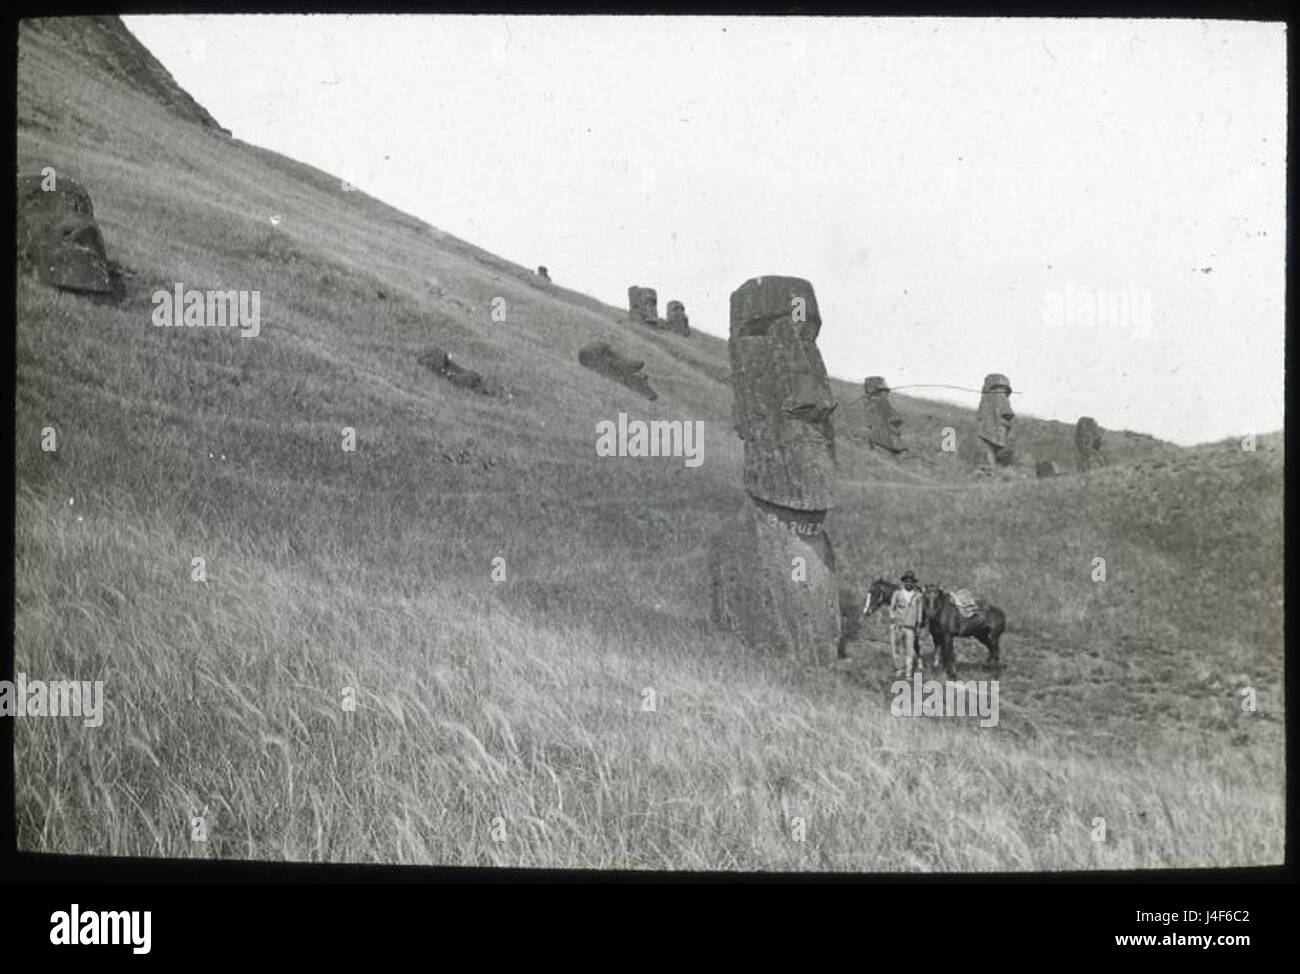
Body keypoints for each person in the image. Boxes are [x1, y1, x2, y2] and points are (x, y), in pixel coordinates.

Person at [889, 571, 925, 678]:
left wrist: (919, 623)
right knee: (898, 648)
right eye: (906, 581)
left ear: (914, 583)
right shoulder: (898, 594)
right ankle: (899, 669)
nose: (908, 583)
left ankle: (908, 673)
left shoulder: (918, 596)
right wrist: (894, 617)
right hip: (899, 626)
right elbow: (892, 608)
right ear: (904, 582)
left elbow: (919, 612)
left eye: (911, 582)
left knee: (910, 650)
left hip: (911, 627)